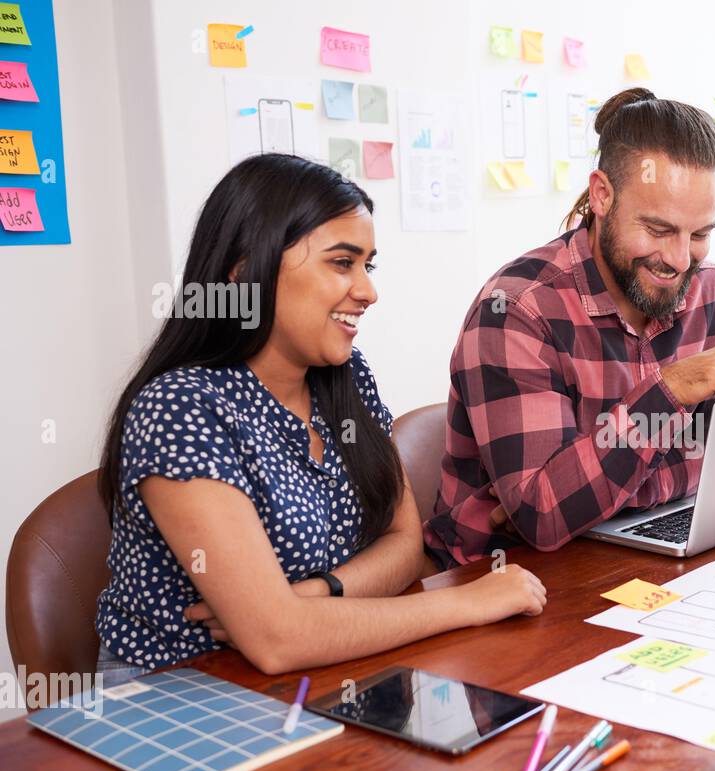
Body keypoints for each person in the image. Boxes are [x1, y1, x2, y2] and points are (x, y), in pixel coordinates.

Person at [95, 154, 545, 683]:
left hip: (325, 664)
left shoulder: (344, 374)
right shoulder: (180, 407)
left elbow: (404, 544)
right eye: (341, 263)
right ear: (245, 274)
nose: (368, 291)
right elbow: (278, 641)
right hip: (180, 690)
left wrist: (320, 595)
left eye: (367, 265)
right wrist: (469, 602)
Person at [423, 88, 715, 568]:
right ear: (602, 195)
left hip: (639, 552)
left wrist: (600, 483)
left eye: (700, 234)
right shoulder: (518, 311)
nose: (678, 260)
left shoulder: (709, 291)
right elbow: (544, 516)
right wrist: (671, 390)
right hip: (504, 579)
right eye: (657, 230)